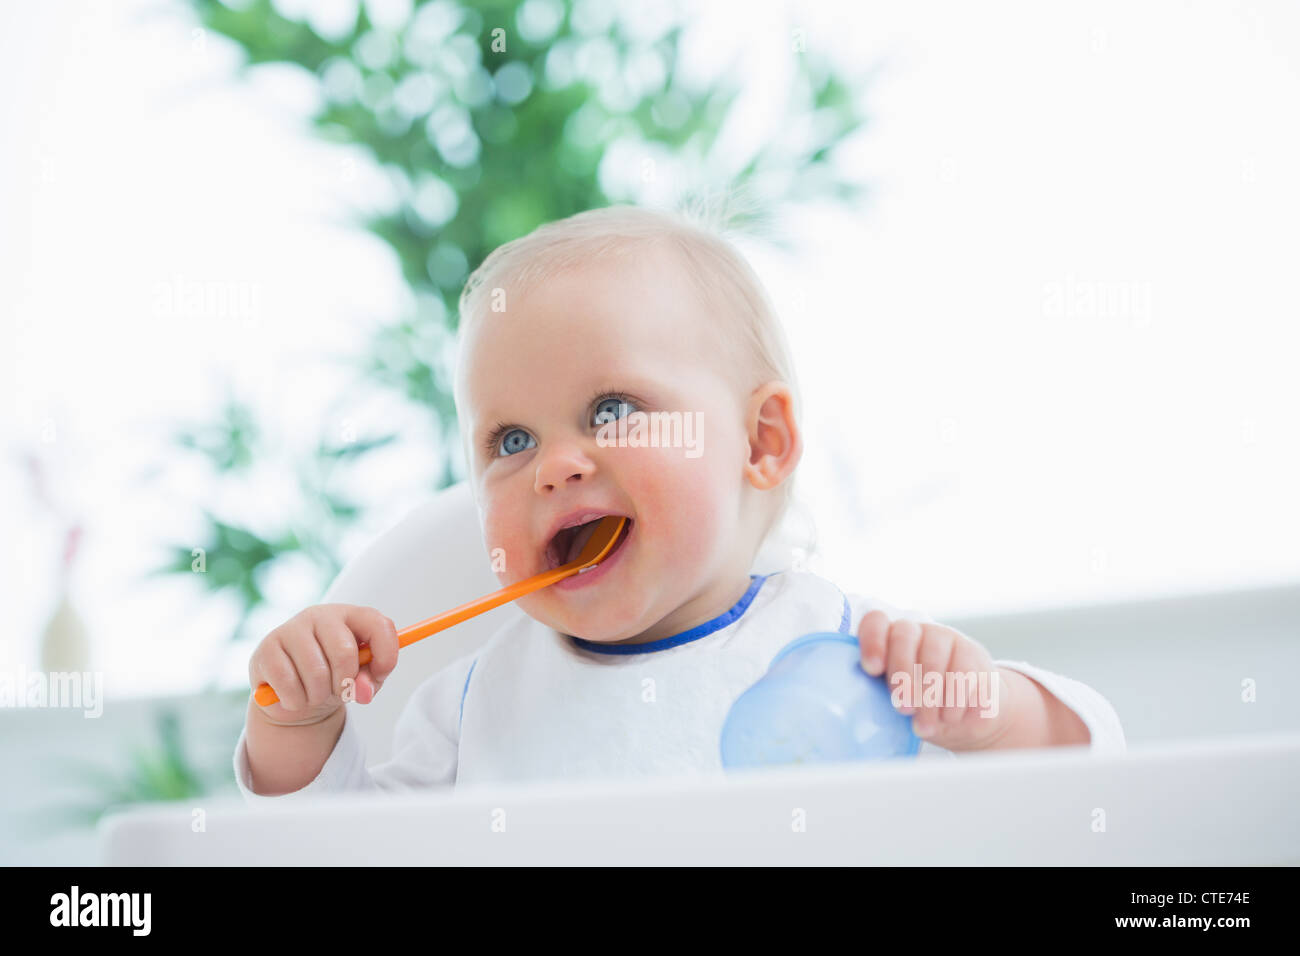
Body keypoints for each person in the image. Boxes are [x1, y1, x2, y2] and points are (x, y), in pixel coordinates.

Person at [233, 203, 1124, 801]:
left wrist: (995, 715)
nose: (552, 467)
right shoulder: (472, 707)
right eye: (510, 441)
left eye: (612, 410)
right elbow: (338, 853)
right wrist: (301, 727)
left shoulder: (848, 660)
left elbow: (1091, 778)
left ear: (761, 443)